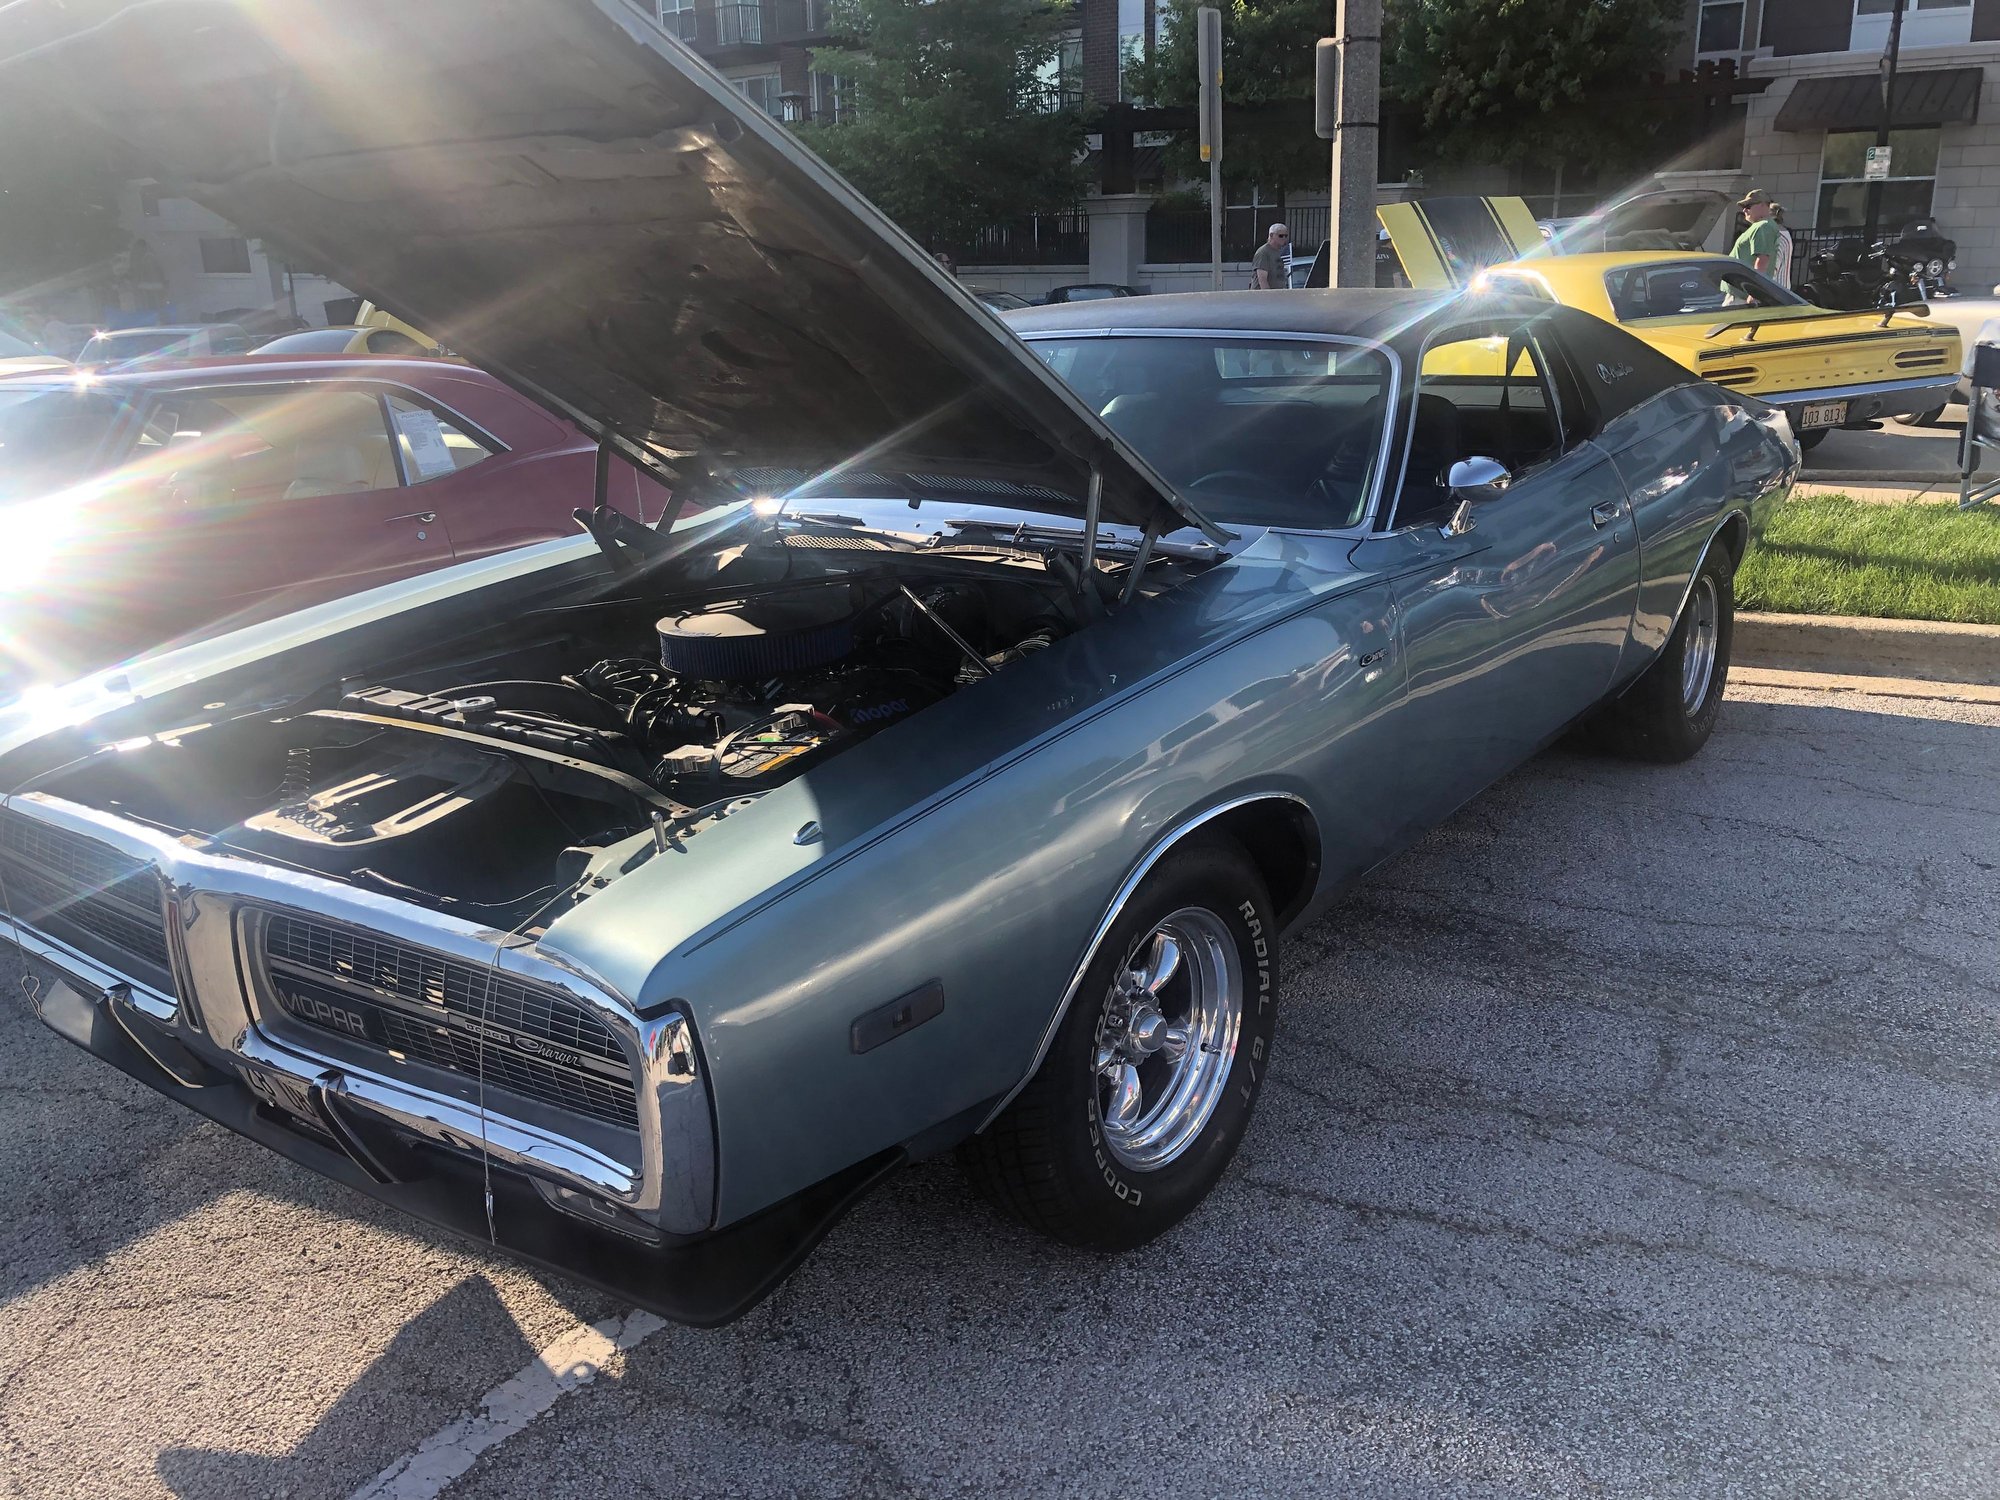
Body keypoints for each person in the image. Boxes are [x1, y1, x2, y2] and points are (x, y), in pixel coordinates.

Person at [1732, 189, 1781, 277]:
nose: (1744, 210)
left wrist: (1754, 289)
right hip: (1739, 287)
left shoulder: (1764, 226)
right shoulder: (1760, 226)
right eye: (1743, 207)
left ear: (1762, 205)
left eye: (1748, 206)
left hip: (1743, 289)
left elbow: (1761, 263)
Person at [1252, 223, 1290, 289]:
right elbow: (1262, 279)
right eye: (1280, 236)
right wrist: (1268, 296)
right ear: (1271, 235)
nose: (1284, 238)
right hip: (1262, 297)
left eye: (1286, 236)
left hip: (1276, 295)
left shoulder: (1277, 252)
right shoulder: (1263, 252)